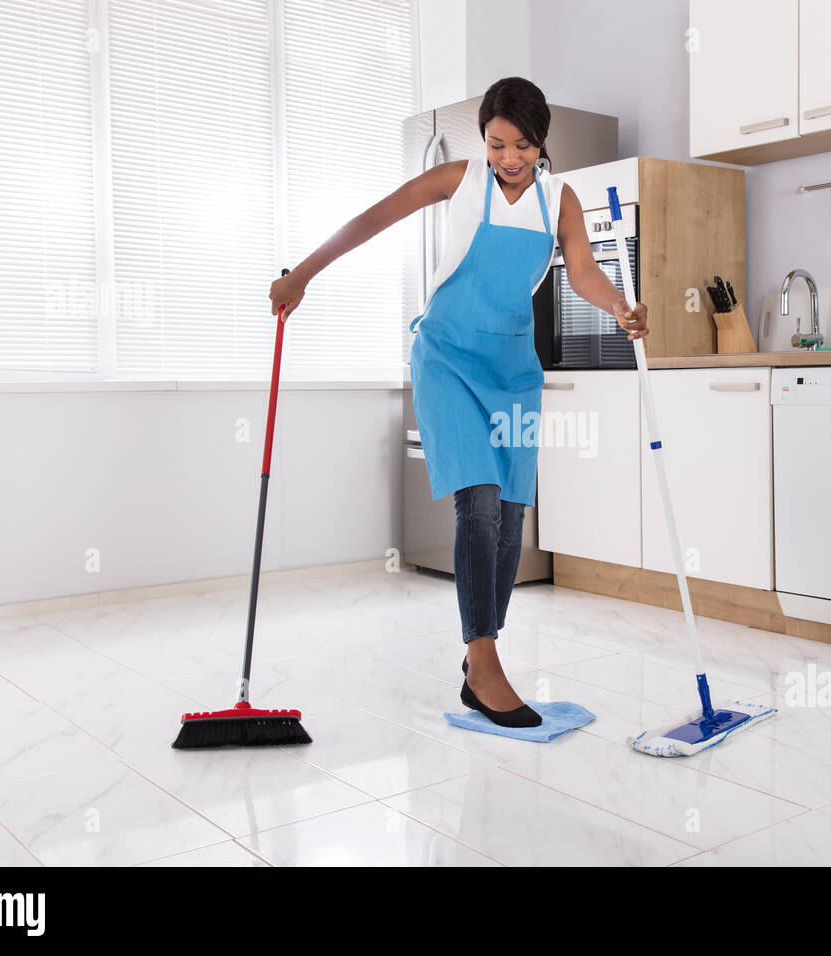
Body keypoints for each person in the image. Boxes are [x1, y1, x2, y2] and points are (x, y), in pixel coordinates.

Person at [270, 77, 648, 727]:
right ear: (483, 140)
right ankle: (486, 658)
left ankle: (479, 661)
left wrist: (620, 307)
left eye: (522, 145)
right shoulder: (457, 179)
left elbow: (581, 270)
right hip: (447, 358)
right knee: (477, 506)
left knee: (508, 519)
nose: (508, 158)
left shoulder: (560, 199)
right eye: (497, 143)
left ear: (542, 142)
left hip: (512, 371)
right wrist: (302, 272)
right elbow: (372, 220)